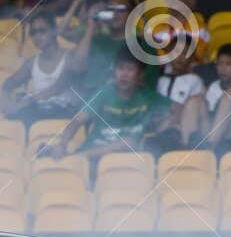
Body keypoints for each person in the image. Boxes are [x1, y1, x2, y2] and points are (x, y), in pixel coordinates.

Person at [41, 48, 179, 165]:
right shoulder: (104, 92)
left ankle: (73, 157)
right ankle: (73, 157)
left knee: (128, 143)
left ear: (140, 74)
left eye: (130, 69)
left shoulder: (148, 97)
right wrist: (62, 144)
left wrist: (166, 124)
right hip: (91, 159)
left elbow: (177, 108)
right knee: (127, 143)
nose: (124, 74)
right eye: (120, 68)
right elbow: (76, 121)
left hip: (125, 162)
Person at [0, 13, 76, 121]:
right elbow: (9, 82)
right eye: (33, 33)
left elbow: (57, 88)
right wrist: (5, 99)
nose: (37, 36)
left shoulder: (70, 57)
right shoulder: (31, 62)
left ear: (54, 31)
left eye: (42, 31)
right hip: (39, 112)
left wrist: (25, 103)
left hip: (65, 113)